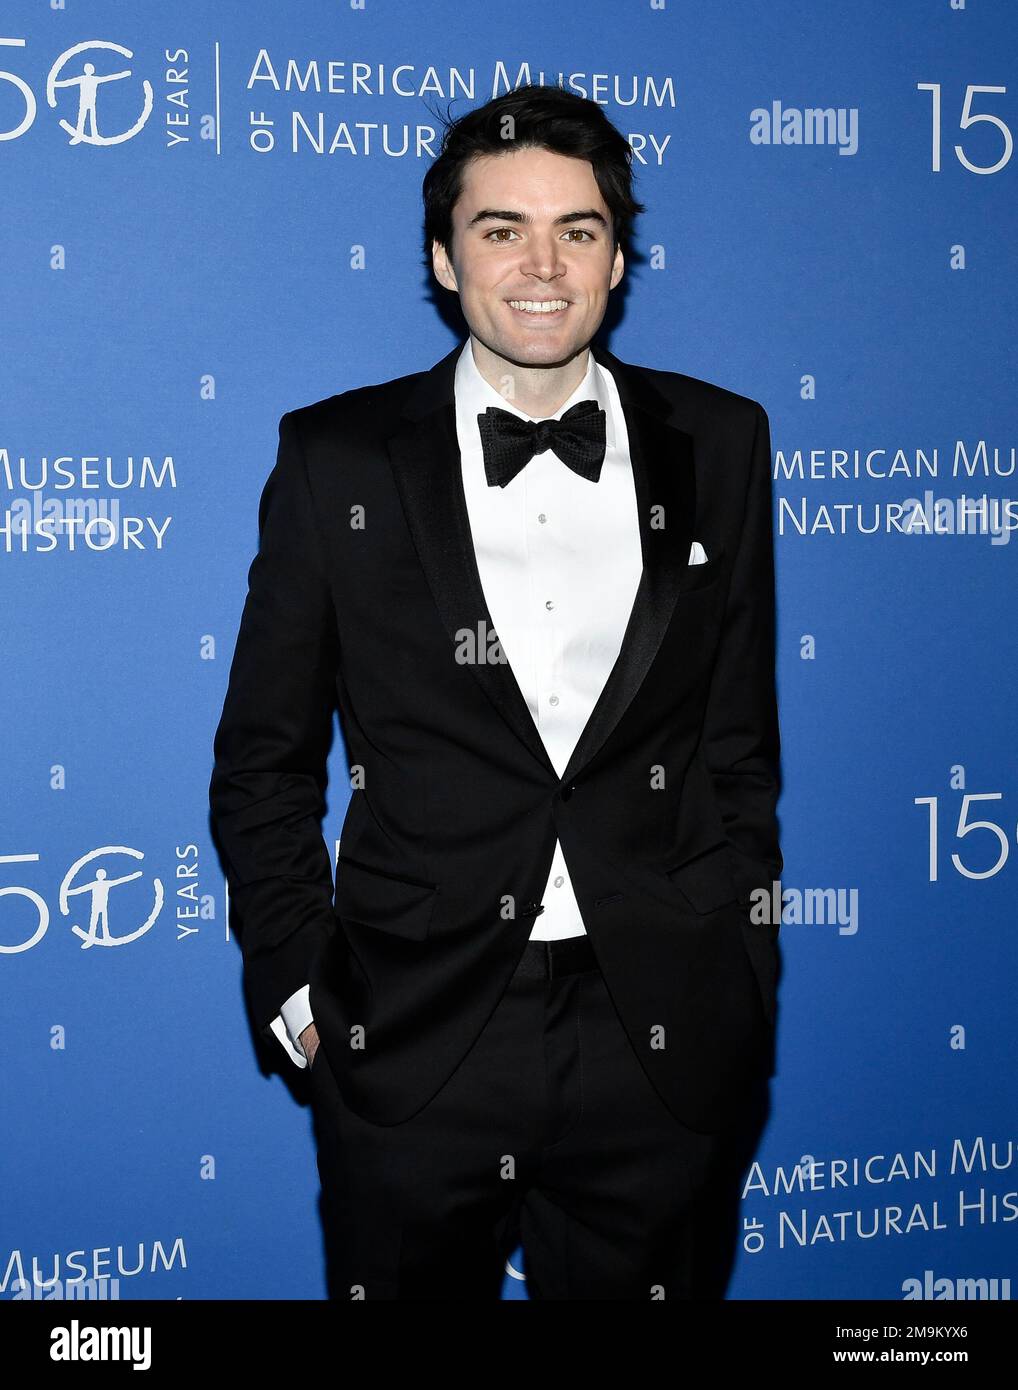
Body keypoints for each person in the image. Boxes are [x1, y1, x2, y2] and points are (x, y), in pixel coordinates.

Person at [209, 83, 782, 1301]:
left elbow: (737, 743)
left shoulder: (719, 442)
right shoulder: (338, 458)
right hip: (415, 1032)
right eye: (499, 228)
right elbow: (263, 756)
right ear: (440, 254)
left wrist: (742, 968)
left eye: (576, 230)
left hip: (659, 1039)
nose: (541, 265)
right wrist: (301, 992)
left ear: (617, 260)